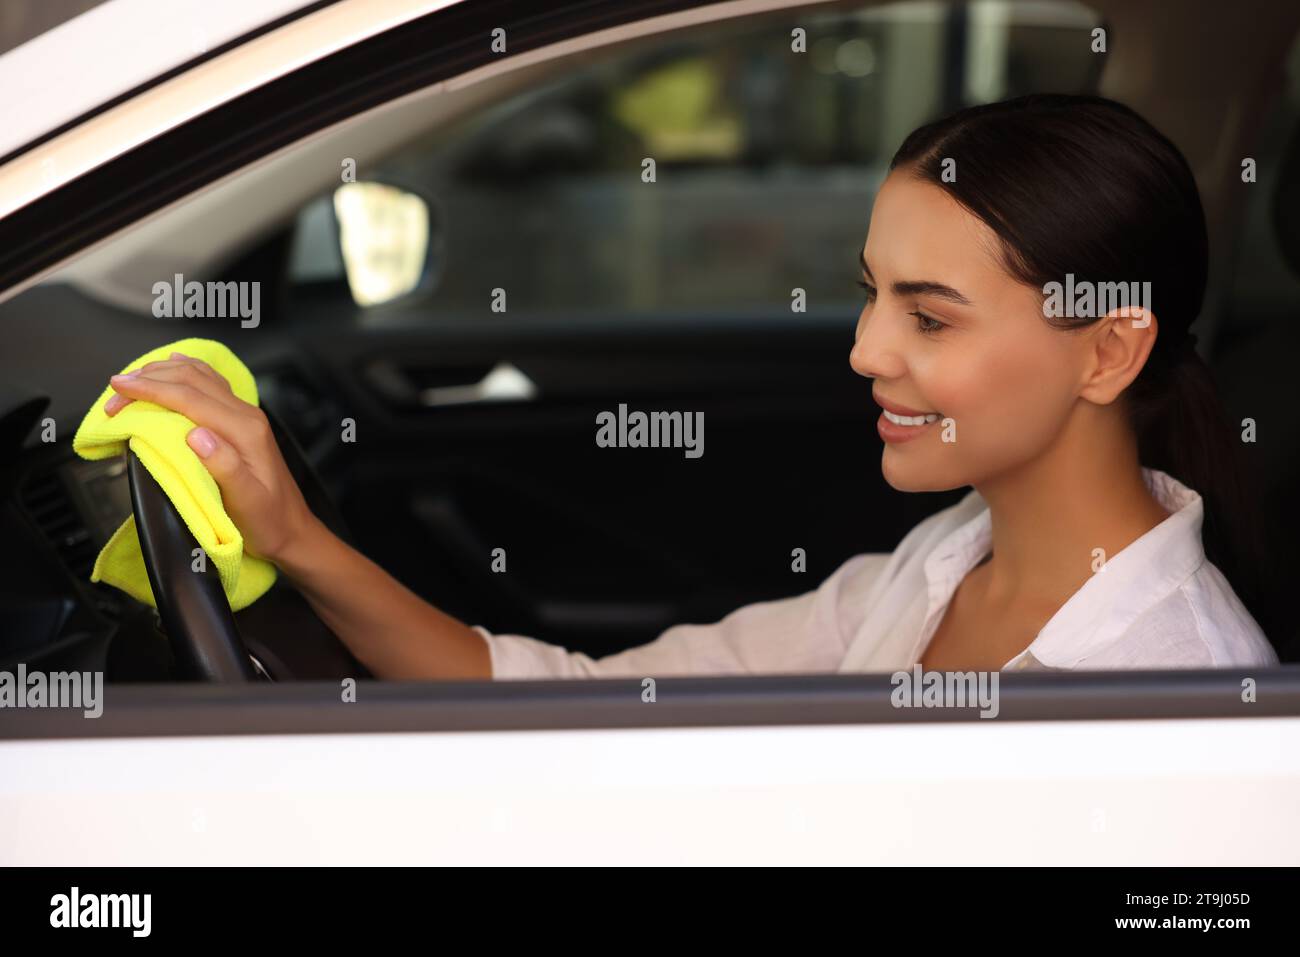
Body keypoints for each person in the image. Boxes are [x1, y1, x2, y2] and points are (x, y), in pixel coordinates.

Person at [104, 93, 1281, 679]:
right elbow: (572, 703)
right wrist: (299, 545)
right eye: (869, 294)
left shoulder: (1178, 683)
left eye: (928, 315)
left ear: (1106, 351)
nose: (868, 351)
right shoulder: (927, 572)